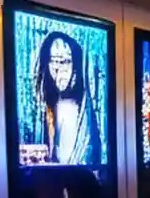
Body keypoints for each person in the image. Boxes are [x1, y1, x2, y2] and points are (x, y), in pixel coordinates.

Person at [24, 31, 103, 166]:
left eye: (66, 61)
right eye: (54, 61)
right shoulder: (44, 112)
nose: (60, 69)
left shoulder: (86, 112)